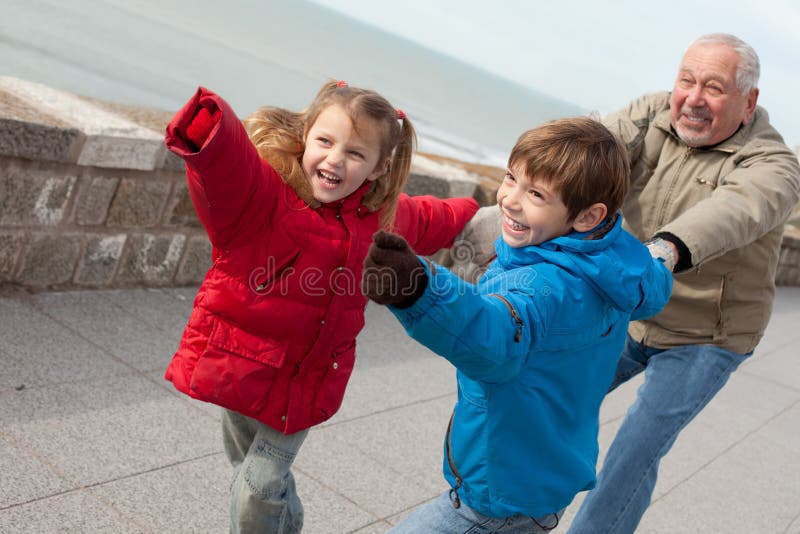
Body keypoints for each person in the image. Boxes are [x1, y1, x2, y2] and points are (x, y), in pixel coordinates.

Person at [453, 33, 800, 533]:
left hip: (706, 334)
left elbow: (736, 211)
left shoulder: (773, 164)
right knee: (538, 395)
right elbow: (581, 160)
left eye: (714, 87)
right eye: (687, 80)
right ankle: (505, 515)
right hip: (626, 306)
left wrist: (663, 251)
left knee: (635, 450)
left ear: (749, 102)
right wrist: (514, 208)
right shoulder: (652, 114)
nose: (694, 98)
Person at [163, 80, 479, 533]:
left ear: (377, 169)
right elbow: (228, 169)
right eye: (325, 141)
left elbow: (434, 218)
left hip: (305, 380)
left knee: (257, 486)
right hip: (241, 365)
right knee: (251, 477)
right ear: (305, 135)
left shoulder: (383, 217)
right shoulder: (265, 198)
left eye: (355, 153)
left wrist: (477, 212)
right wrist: (208, 128)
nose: (334, 159)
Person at [361, 117, 673, 533]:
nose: (509, 200)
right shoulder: (616, 265)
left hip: (495, 495)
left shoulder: (545, 286)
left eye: (536, 194)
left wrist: (419, 288)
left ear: (586, 217)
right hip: (543, 476)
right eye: (511, 178)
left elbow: (496, 335)